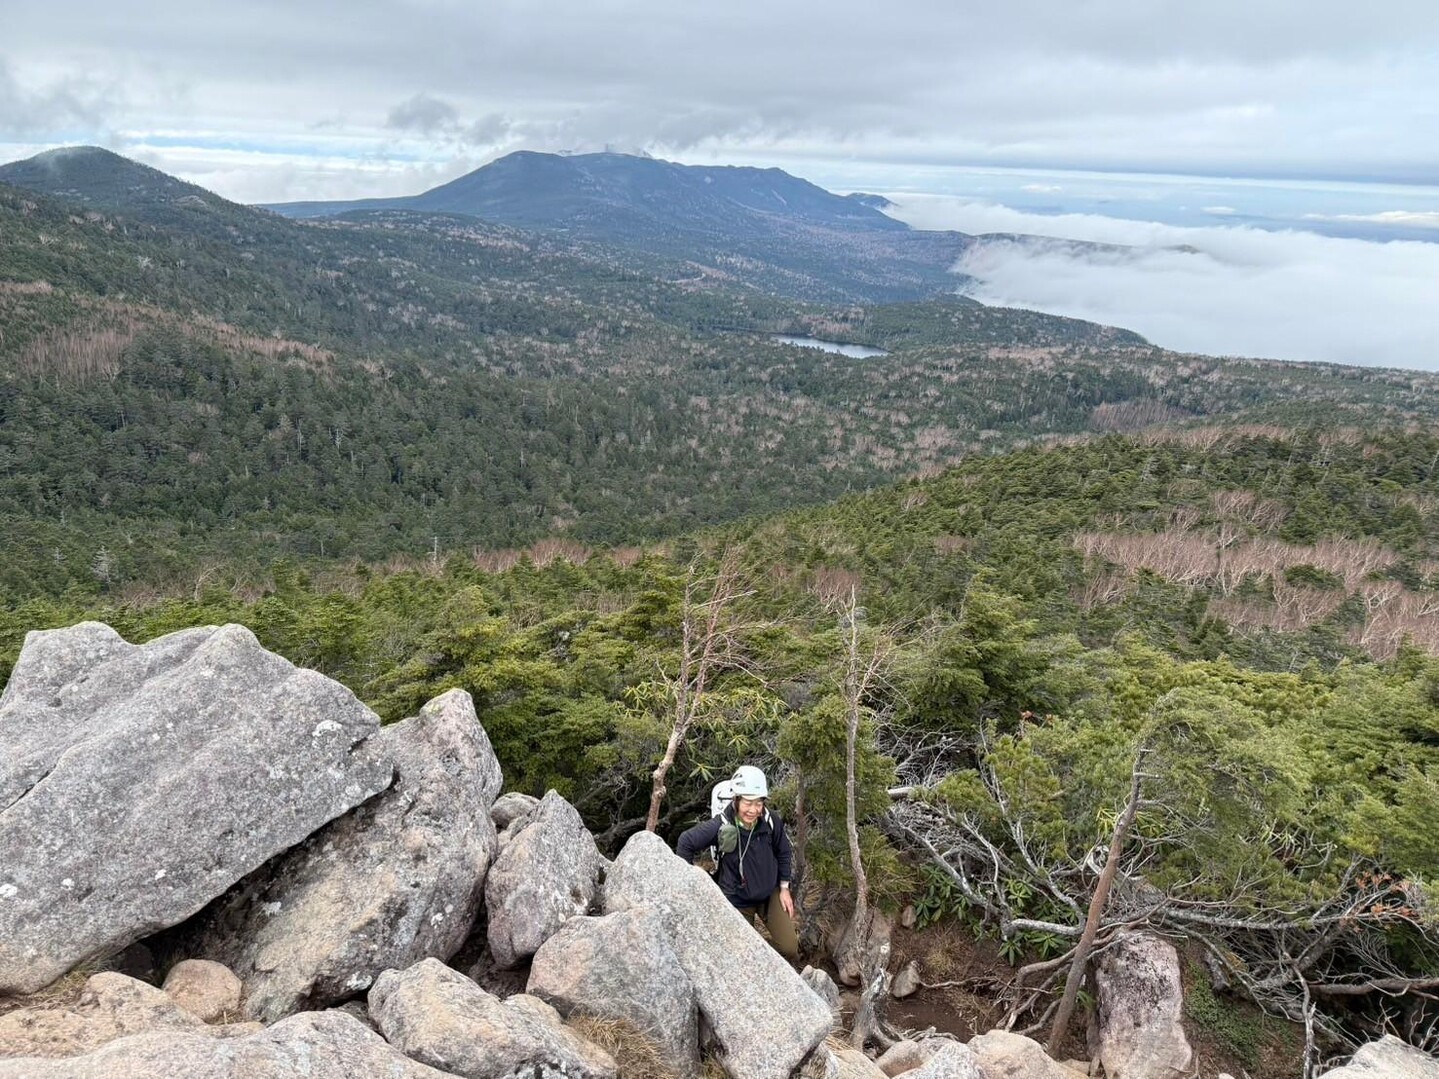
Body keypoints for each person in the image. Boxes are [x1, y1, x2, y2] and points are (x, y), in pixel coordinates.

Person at [676, 764, 799, 962]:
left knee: (790, 947)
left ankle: (765, 958)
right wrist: (689, 886)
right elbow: (686, 841)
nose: (753, 810)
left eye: (758, 803)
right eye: (748, 803)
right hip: (737, 900)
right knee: (740, 958)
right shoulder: (722, 824)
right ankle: (756, 957)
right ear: (736, 800)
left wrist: (784, 888)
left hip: (768, 895)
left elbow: (784, 851)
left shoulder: (770, 821)